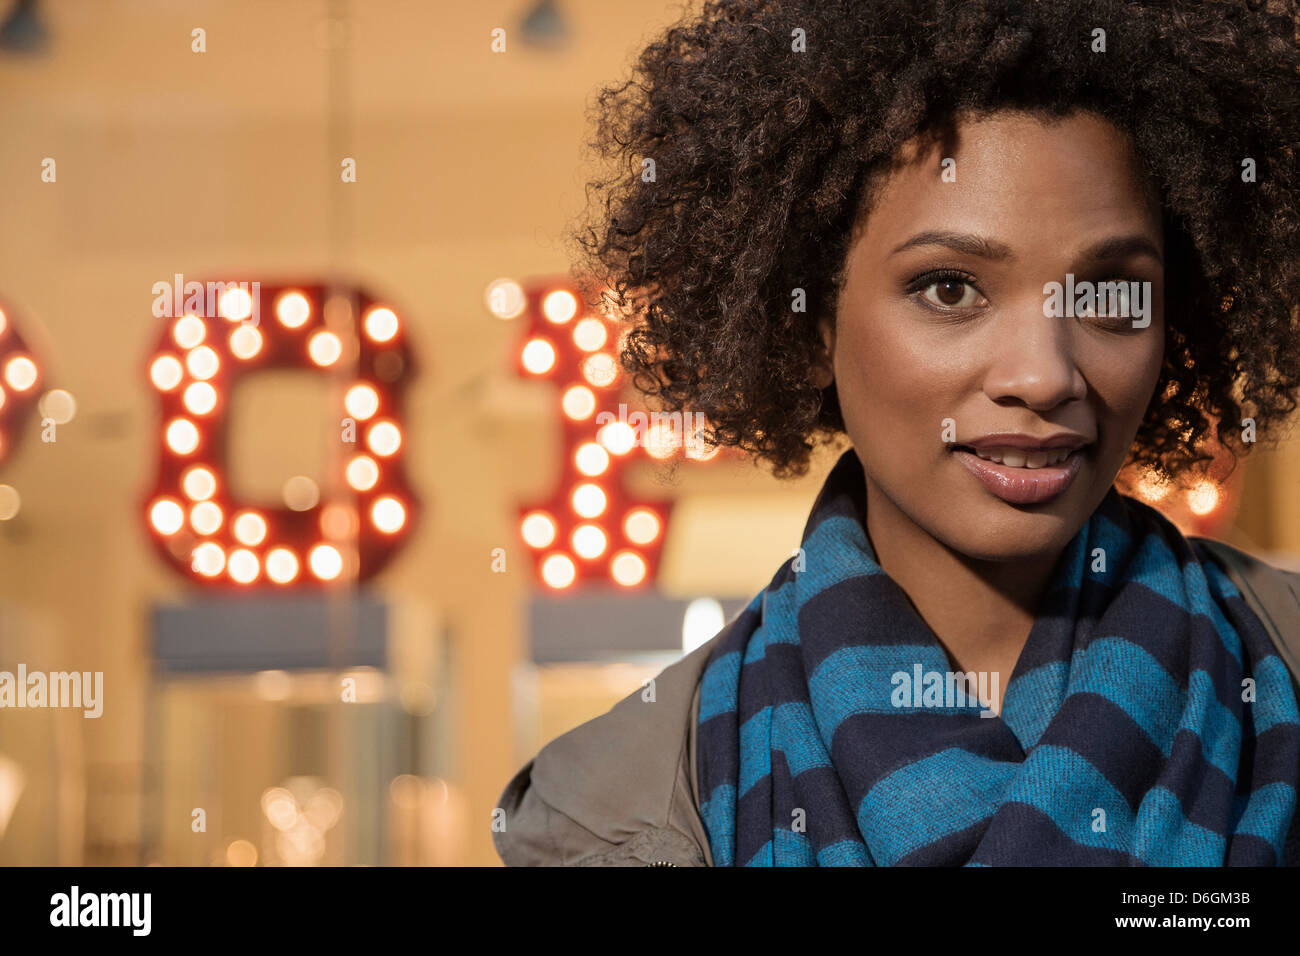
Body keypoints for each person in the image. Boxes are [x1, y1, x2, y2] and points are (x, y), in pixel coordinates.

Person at [494, 0, 1300, 866]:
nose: (1045, 375)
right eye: (950, 288)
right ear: (808, 327)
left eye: (1107, 293)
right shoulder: (609, 814)